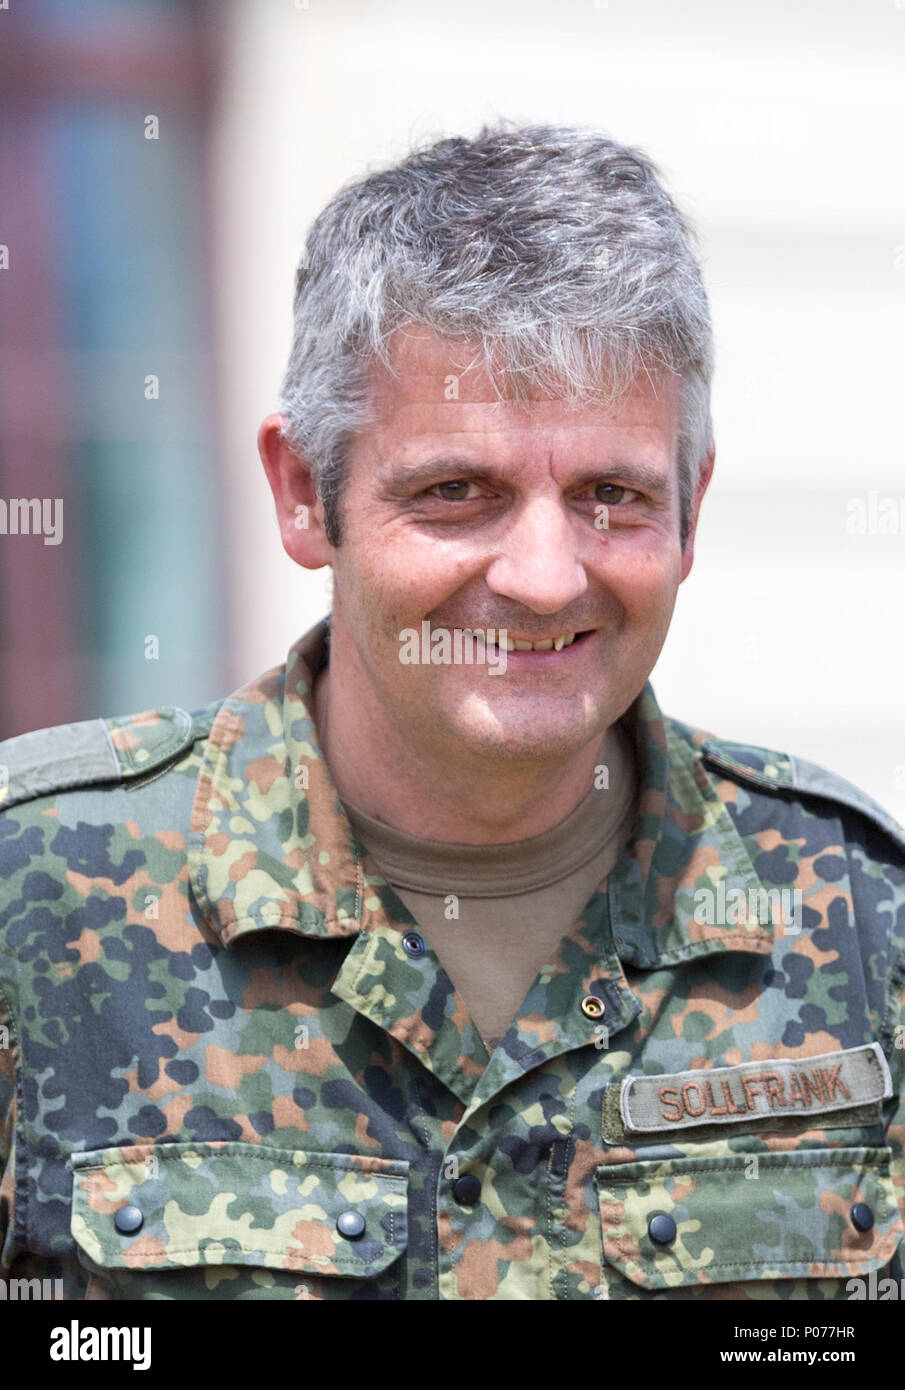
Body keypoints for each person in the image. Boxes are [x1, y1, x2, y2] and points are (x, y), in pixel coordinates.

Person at [1, 122, 903, 1302]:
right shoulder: (41, 892)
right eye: (455, 492)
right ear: (301, 493)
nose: (542, 574)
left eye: (611, 495)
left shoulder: (851, 914)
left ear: (691, 508)